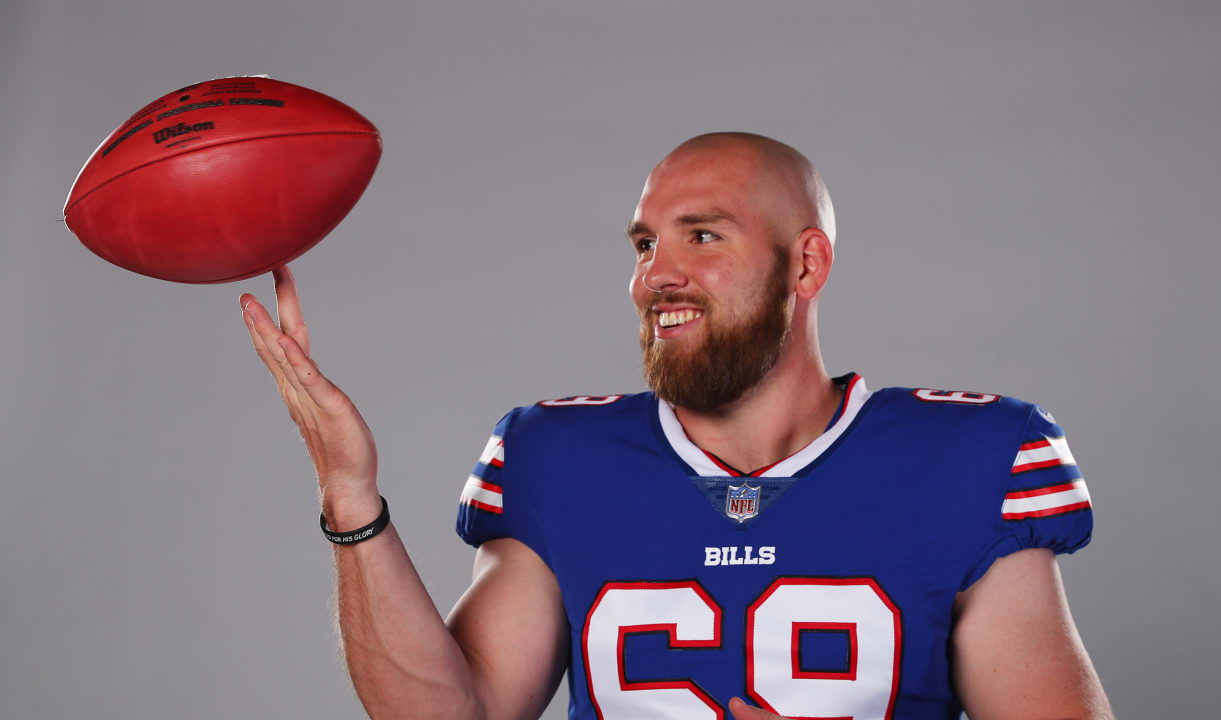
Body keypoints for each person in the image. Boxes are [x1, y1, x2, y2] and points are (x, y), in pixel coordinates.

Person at [239, 132, 1114, 719]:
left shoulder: (966, 457)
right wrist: (349, 492)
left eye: (702, 237)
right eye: (644, 244)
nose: (656, 274)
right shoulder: (558, 456)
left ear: (805, 263)